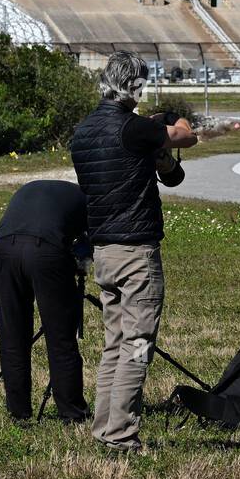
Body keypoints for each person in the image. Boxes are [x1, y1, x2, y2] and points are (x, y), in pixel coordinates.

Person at [68, 52, 197, 452]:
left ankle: (104, 426)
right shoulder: (135, 130)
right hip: (137, 253)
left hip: (103, 252)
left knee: (114, 344)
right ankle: (121, 434)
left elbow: (160, 170)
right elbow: (186, 137)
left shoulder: (83, 132)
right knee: (138, 345)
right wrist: (174, 120)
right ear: (135, 86)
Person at [0, 179, 91, 424]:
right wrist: (79, 269)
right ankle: (72, 411)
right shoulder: (89, 199)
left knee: (12, 336)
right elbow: (87, 248)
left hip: (5, 249)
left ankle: (19, 412)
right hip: (46, 251)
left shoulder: (33, 188)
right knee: (60, 338)